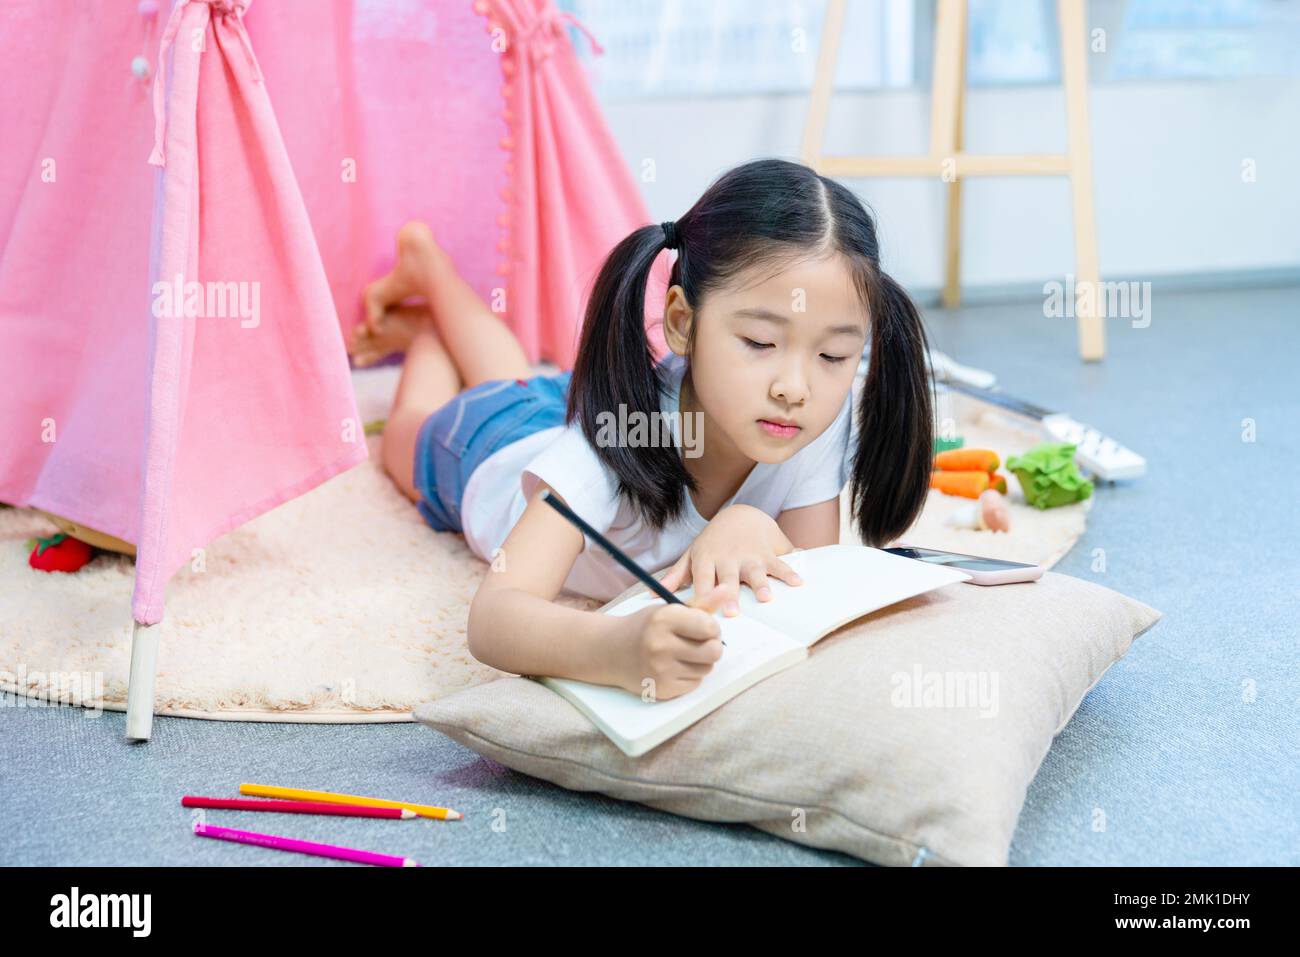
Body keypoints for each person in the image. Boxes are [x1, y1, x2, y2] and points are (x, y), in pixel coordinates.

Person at [349, 158, 934, 701]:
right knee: (413, 429)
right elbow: (495, 617)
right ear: (682, 322)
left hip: (599, 396)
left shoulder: (803, 413)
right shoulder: (606, 448)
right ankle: (426, 323)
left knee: (522, 376)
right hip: (486, 443)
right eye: (759, 342)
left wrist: (750, 522)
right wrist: (618, 648)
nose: (795, 386)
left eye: (835, 355)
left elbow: (810, 582)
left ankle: (429, 283)